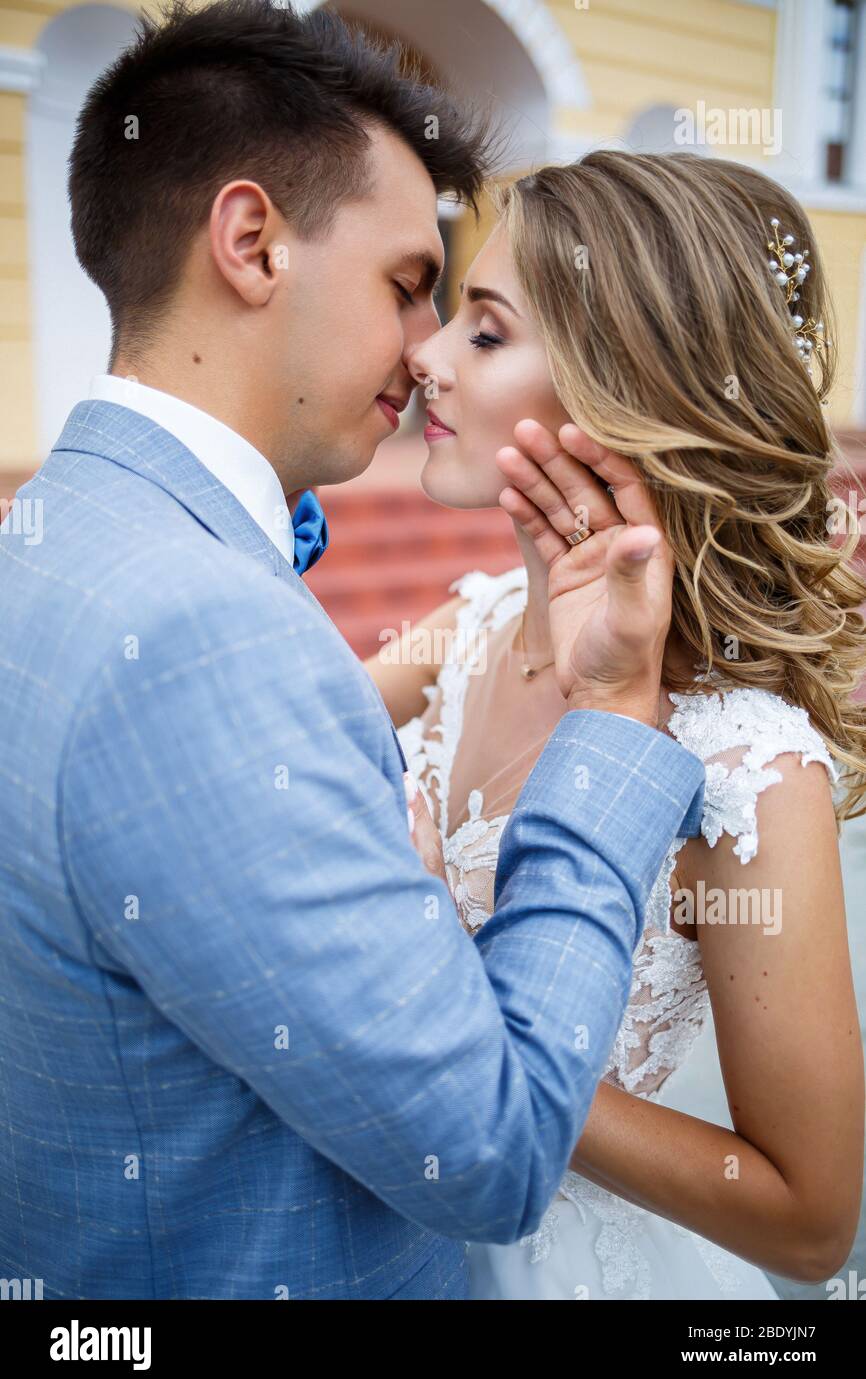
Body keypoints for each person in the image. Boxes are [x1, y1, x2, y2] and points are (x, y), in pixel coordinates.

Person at [0, 2, 704, 1299]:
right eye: (405, 283)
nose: (423, 348)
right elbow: (487, 1152)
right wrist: (610, 717)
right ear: (253, 241)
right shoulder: (198, 631)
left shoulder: (51, 534)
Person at [367, 150, 866, 1299]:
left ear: (621, 398)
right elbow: (269, 757)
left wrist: (477, 1033)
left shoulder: (745, 769)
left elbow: (808, 1221)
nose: (425, 353)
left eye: (484, 332)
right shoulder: (469, 623)